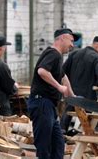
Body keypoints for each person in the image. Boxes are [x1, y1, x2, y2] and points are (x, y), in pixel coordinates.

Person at [28, 28, 78, 159]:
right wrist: (60, 88)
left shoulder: (57, 56)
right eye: (71, 41)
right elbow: (42, 71)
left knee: (58, 144)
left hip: (49, 106)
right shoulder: (53, 54)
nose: (72, 45)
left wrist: (72, 96)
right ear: (62, 38)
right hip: (42, 104)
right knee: (44, 146)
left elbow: (63, 76)